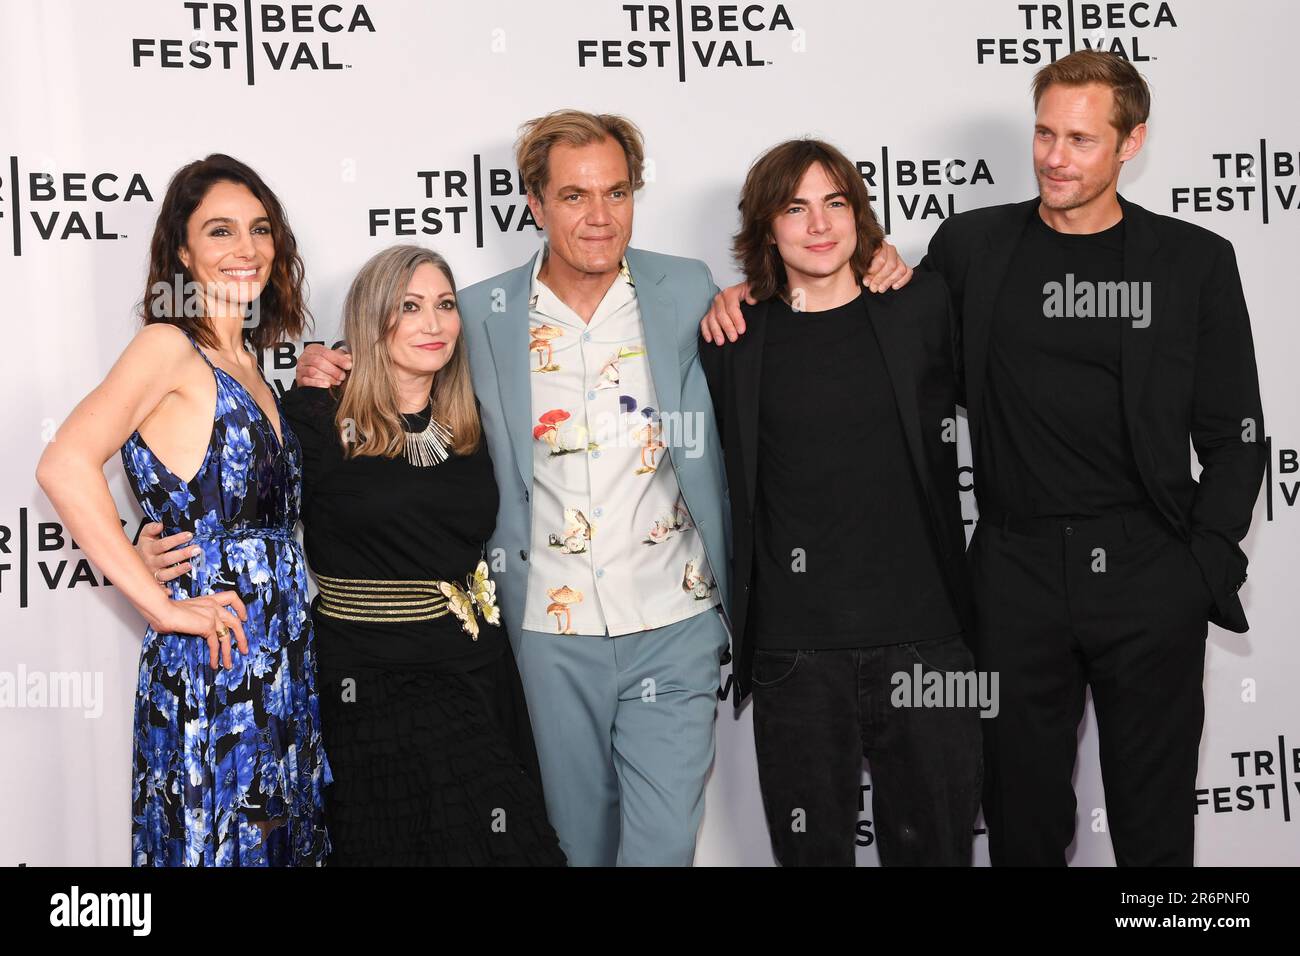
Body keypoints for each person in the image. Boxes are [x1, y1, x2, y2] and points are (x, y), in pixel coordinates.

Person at [294, 110, 910, 866]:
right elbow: (407, 373)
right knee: (572, 849)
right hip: (548, 638)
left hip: (676, 624)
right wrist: (331, 366)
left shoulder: (688, 289)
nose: (599, 216)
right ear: (535, 204)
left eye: (616, 193)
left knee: (661, 848)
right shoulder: (481, 314)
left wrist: (885, 262)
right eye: (576, 196)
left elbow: (804, 293)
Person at [702, 51, 1268, 866]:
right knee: (1020, 820)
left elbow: (1237, 434)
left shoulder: (1194, 261)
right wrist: (747, 292)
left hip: (1150, 570)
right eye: (1044, 133)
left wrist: (1202, 571)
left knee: (1154, 824)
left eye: (1080, 139)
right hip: (1012, 577)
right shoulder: (971, 247)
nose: (1054, 157)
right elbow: (865, 327)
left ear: (1130, 142)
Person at [142, 244, 566, 865]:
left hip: (477, 669)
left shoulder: (471, 418)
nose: (434, 323)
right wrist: (149, 547)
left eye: (445, 305)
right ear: (371, 320)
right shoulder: (315, 418)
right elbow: (233, 501)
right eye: (410, 306)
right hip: (369, 684)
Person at [36, 154, 331, 866]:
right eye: (220, 231)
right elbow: (64, 463)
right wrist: (161, 606)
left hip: (282, 653)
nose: (246, 249)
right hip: (214, 657)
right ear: (181, 250)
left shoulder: (253, 363)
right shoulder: (168, 347)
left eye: (260, 230)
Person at [698, 138, 981, 865]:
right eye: (796, 208)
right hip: (796, 659)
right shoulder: (731, 335)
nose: (819, 225)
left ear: (859, 214)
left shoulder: (921, 306)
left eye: (835, 203)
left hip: (927, 643)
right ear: (767, 228)